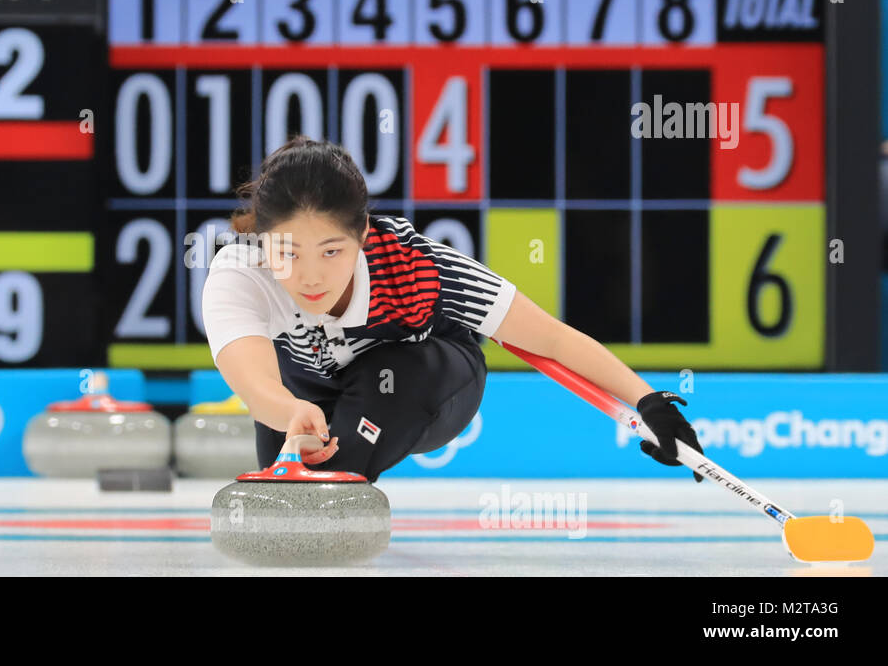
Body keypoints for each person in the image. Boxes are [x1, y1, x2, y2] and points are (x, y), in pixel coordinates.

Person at [201, 136, 704, 483]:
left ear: (363, 235)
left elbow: (549, 339)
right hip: (306, 393)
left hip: (426, 380)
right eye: (287, 252)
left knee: (366, 412)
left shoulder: (414, 264)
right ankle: (328, 463)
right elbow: (257, 384)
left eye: (332, 251)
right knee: (283, 475)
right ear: (261, 239)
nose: (309, 276)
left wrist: (648, 403)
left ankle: (344, 473)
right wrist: (292, 413)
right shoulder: (240, 272)